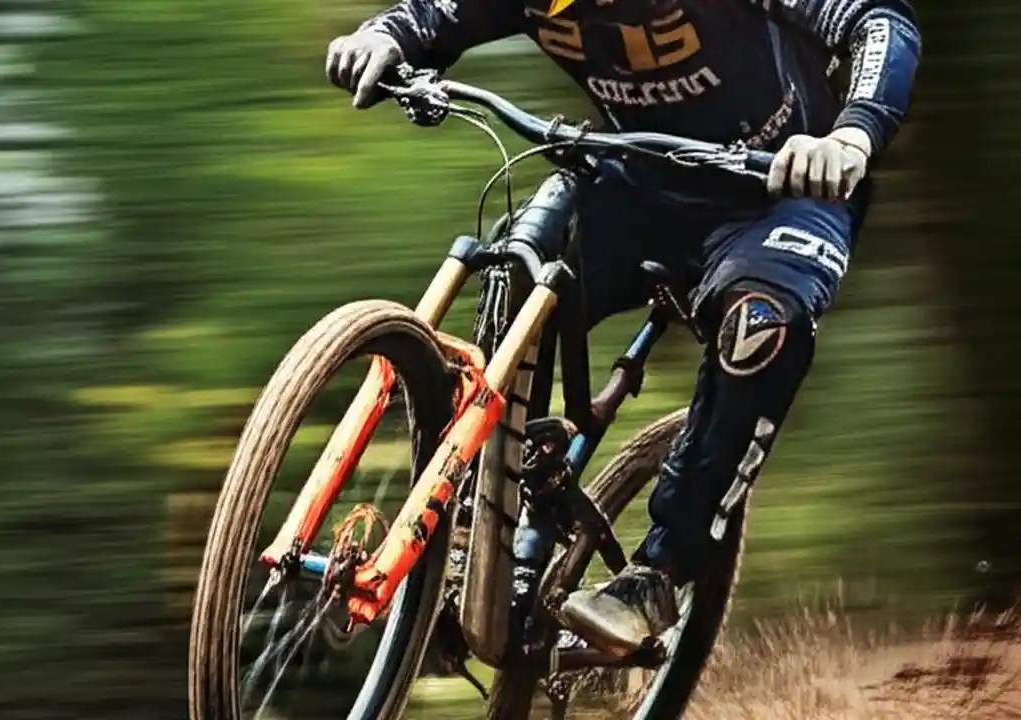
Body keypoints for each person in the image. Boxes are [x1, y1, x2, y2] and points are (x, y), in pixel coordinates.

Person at [326, 0, 920, 656]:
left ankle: (659, 576)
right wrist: (383, 37)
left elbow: (880, 20)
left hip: (782, 194)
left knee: (761, 331)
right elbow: (433, 17)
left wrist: (852, 135)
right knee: (519, 259)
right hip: (637, 179)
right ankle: (475, 528)